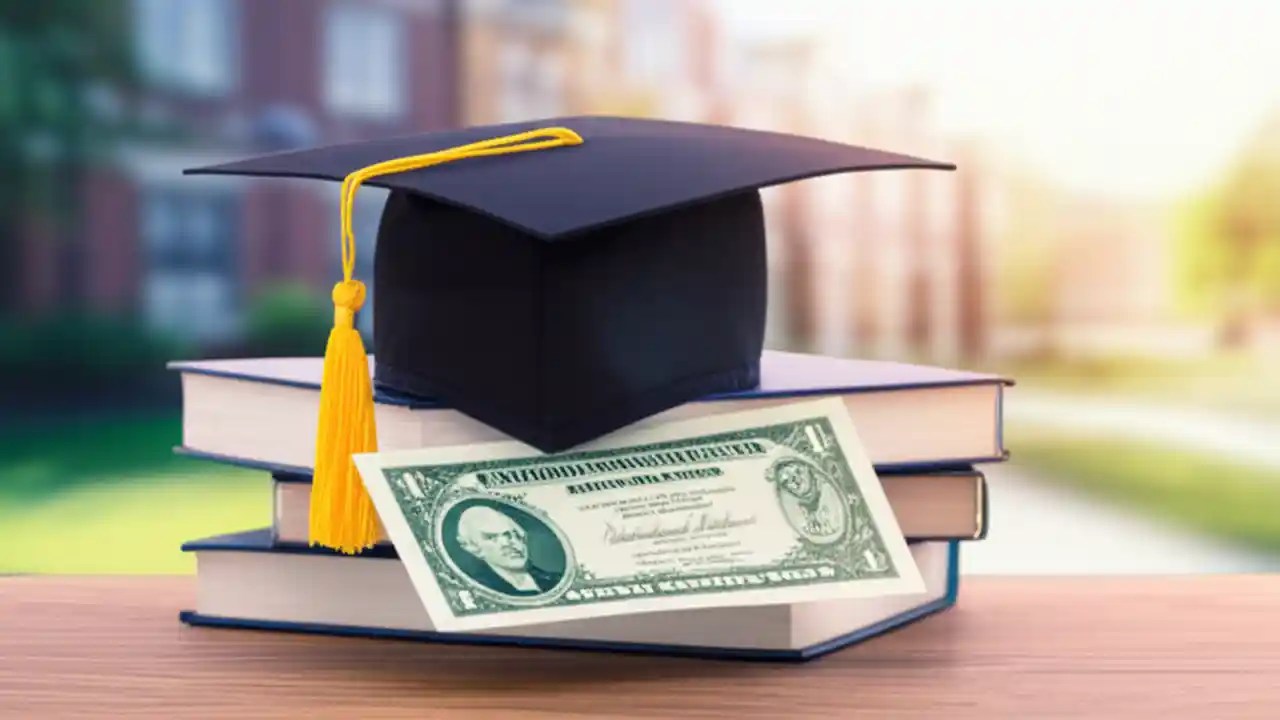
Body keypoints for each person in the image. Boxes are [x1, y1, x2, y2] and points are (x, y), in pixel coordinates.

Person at [454, 506, 560, 596]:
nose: (508, 543)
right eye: (492, 537)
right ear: (473, 547)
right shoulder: (477, 589)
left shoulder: (556, 580)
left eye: (513, 535)